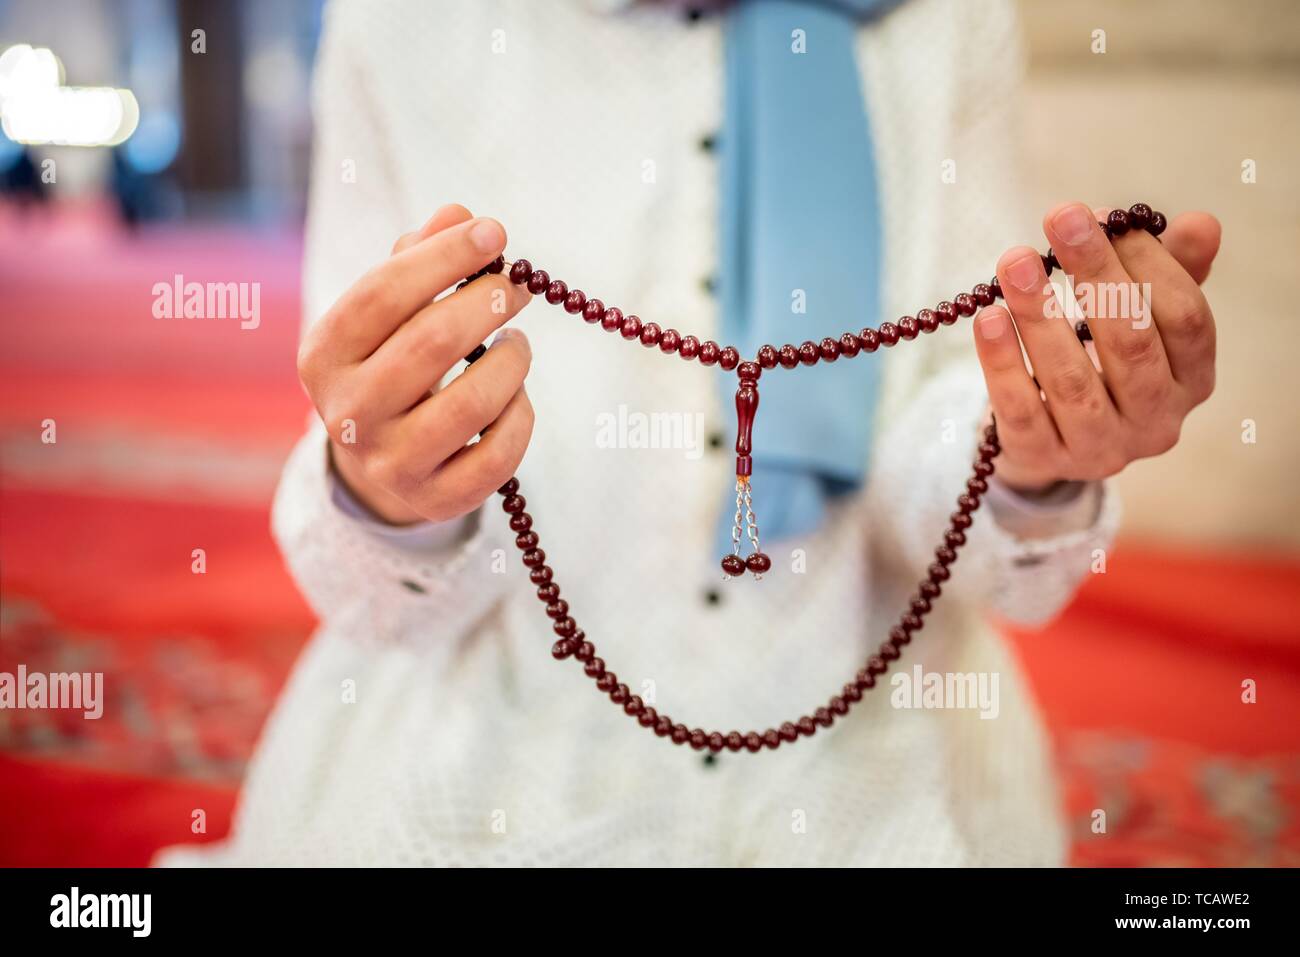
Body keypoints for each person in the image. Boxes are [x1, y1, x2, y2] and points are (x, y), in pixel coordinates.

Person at [157, 0, 1219, 866]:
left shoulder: (946, 22)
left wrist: (1028, 458)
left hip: (878, 765)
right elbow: (365, 491)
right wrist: (386, 494)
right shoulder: (401, 23)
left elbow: (940, 433)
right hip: (490, 761)